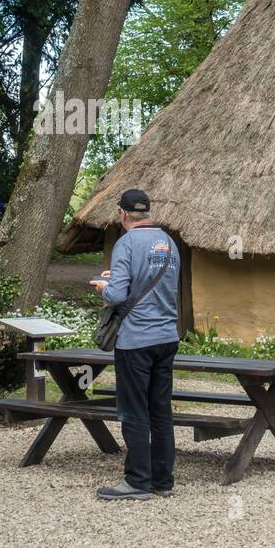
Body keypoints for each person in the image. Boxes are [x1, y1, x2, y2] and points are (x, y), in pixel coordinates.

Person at [91, 189, 180, 500]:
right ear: (148, 212)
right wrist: (117, 278)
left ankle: (137, 481)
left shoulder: (126, 242)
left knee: (133, 411)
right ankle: (162, 481)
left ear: (123, 215)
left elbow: (116, 296)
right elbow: (154, 281)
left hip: (136, 340)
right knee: (160, 410)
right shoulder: (169, 243)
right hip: (167, 337)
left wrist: (105, 285)